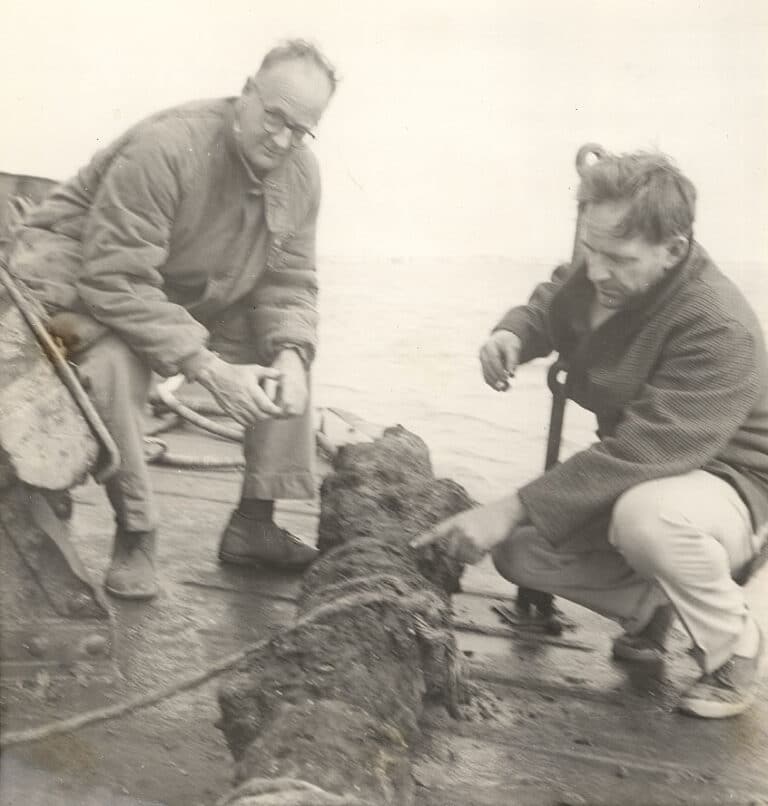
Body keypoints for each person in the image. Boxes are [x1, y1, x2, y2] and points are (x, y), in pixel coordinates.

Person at [414, 150, 768, 719]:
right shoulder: (604, 275)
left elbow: (643, 452)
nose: (596, 270)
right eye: (590, 249)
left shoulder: (717, 325)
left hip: (733, 490)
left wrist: (510, 505)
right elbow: (551, 305)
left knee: (646, 517)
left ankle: (736, 652)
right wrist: (513, 336)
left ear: (673, 250)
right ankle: (656, 605)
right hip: (652, 478)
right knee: (517, 552)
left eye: (618, 258)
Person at [6, 40, 338, 600]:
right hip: (75, 282)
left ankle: (254, 523)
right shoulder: (168, 146)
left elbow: (289, 282)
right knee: (115, 363)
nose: (282, 139)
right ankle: (137, 530)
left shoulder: (300, 176)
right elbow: (114, 281)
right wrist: (205, 366)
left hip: (177, 289)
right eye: (274, 117)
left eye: (300, 130)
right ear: (247, 93)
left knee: (284, 363)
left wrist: (291, 353)